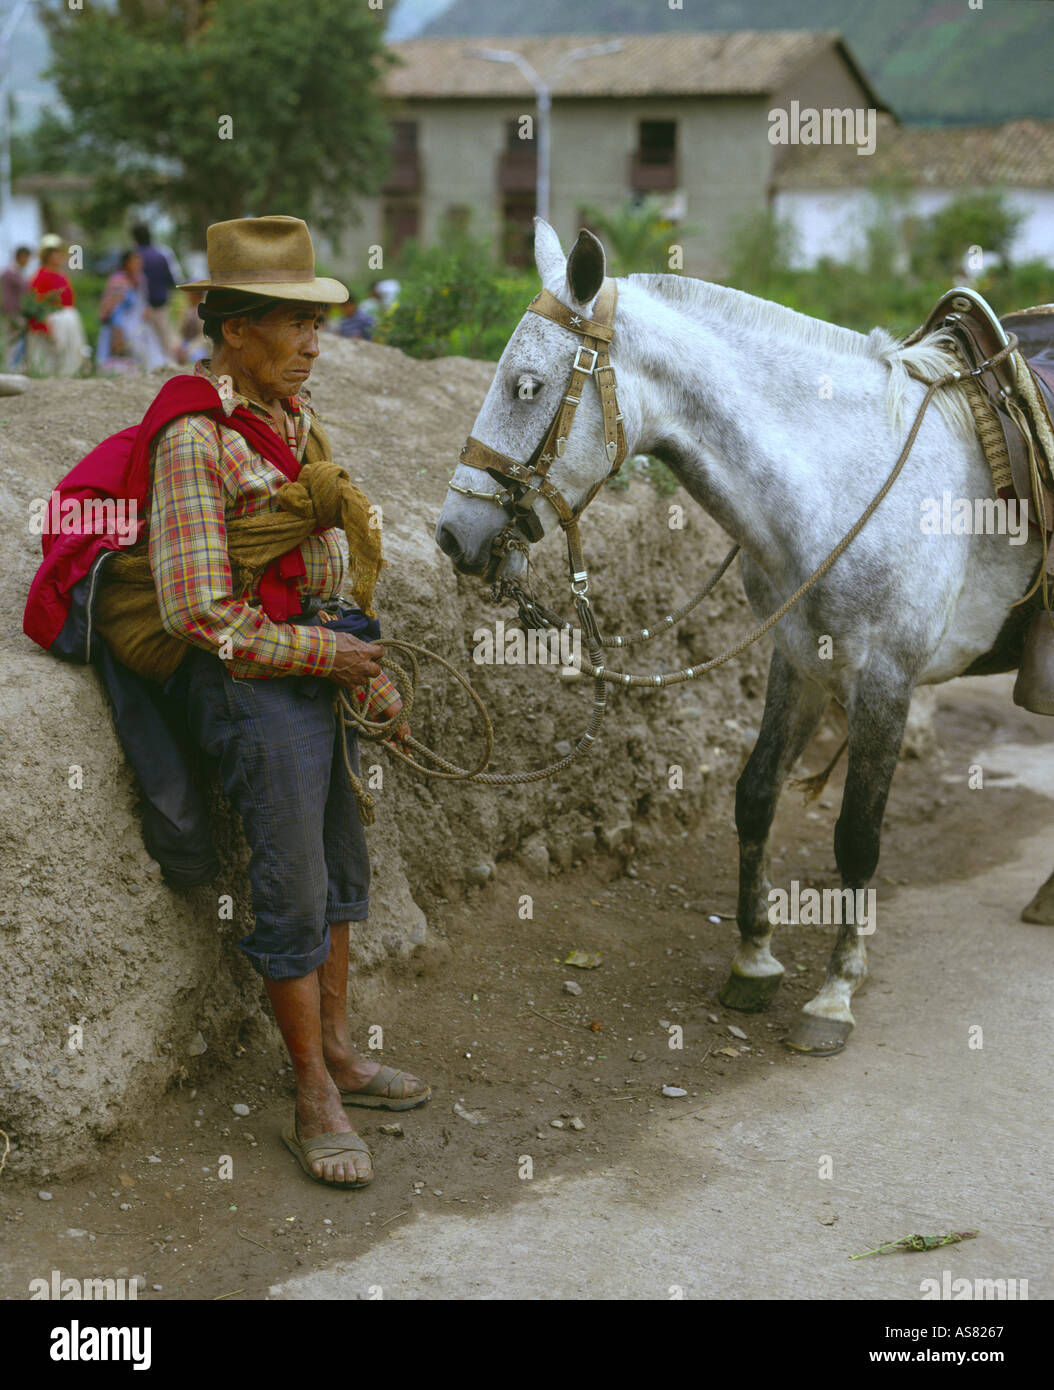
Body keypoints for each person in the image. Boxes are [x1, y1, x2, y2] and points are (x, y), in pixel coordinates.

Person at [156, 215, 430, 1187]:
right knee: (291, 887)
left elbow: (324, 572)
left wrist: (369, 666)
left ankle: (345, 1052)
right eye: (289, 324)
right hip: (252, 692)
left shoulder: (295, 426)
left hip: (317, 671)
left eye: (316, 326)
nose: (313, 344)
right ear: (231, 329)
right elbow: (199, 614)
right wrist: (326, 655)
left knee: (342, 869)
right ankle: (310, 1089)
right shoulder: (196, 441)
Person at [26, 234, 87, 377]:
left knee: (69, 361)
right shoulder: (40, 276)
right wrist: (45, 326)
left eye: (60, 252)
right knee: (48, 363)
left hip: (67, 321)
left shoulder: (63, 277)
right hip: (52, 322)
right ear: (47, 256)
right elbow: (36, 304)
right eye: (55, 253)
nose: (59, 256)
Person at [131, 222, 178, 366]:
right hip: (160, 303)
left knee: (142, 339)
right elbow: (172, 280)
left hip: (139, 307)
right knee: (164, 336)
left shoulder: (133, 257)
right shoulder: (161, 255)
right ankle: (170, 365)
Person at [96, 249, 149, 373]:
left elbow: (141, 302)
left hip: (134, 325)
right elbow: (115, 308)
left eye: (139, 262)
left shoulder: (139, 279)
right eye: (134, 262)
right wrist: (117, 332)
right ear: (126, 263)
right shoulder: (119, 280)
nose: (137, 265)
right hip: (117, 327)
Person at [1, 245, 31, 366]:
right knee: (11, 342)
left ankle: (14, 366)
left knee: (18, 342)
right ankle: (9, 366)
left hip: (18, 313)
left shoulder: (19, 272)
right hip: (11, 312)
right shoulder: (10, 273)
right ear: (21, 256)